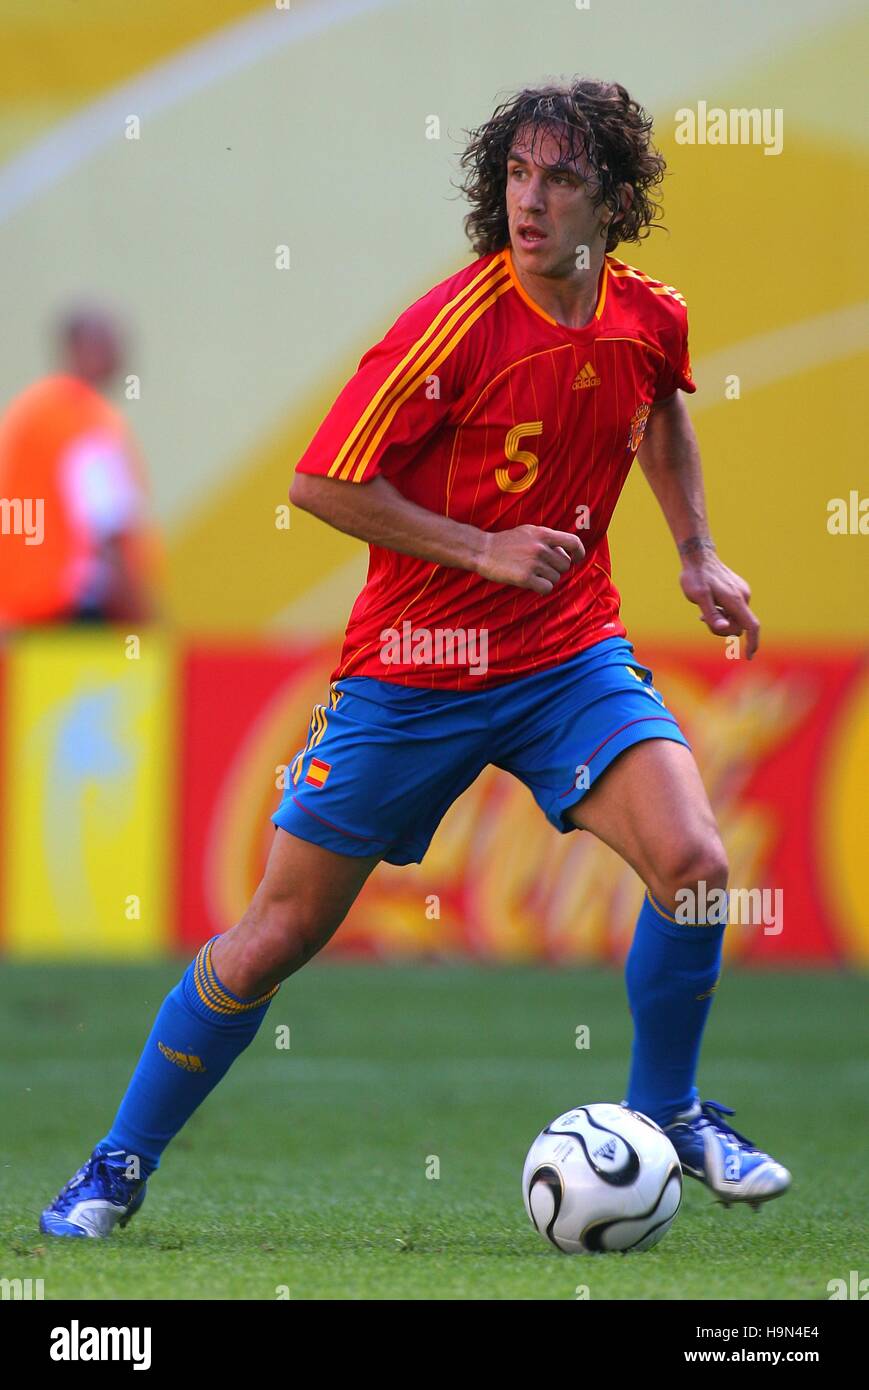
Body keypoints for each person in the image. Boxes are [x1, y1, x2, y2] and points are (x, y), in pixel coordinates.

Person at [40, 79, 788, 1239]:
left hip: (566, 654)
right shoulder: (451, 327)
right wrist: (478, 546)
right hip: (412, 671)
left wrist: (695, 553)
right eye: (514, 177)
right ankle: (116, 1164)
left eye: (559, 180)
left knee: (693, 860)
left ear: (613, 202)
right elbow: (320, 482)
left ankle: (670, 1111)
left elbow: (661, 410)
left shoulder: (650, 316)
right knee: (275, 935)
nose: (528, 203)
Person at [0, 308, 158, 629]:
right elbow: (107, 533)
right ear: (83, 348)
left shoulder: (33, 411)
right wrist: (143, 623)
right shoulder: (83, 420)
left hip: (21, 613)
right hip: (72, 615)